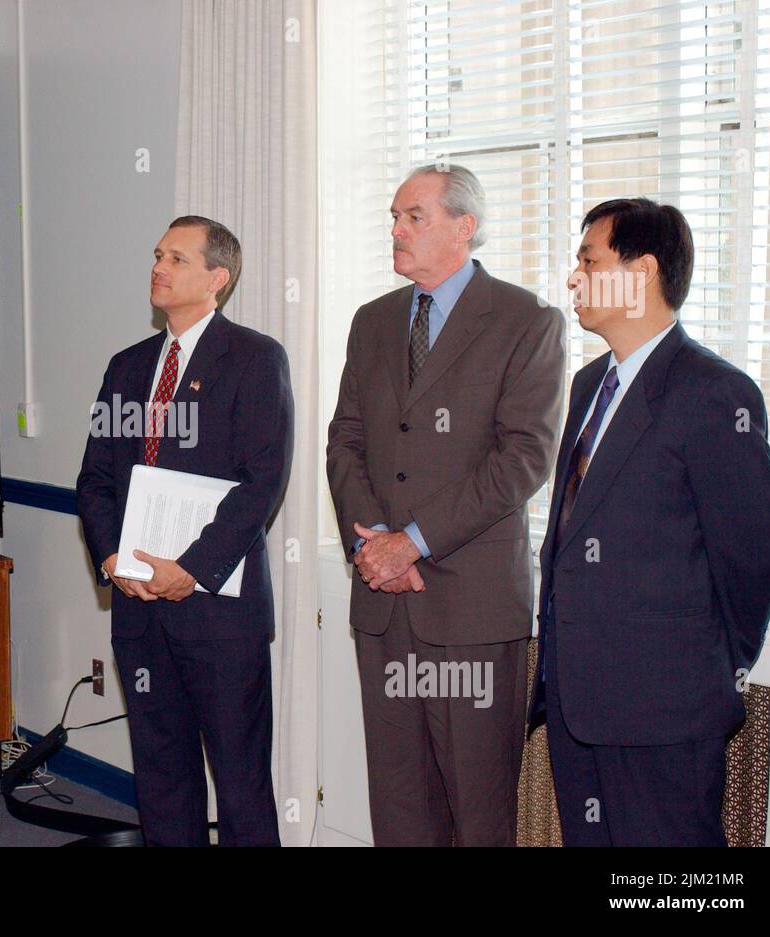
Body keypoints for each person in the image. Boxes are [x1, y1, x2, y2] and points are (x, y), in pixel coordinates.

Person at [528, 198, 770, 846]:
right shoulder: (588, 385)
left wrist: (697, 676)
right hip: (575, 706)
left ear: (640, 272)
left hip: (665, 716)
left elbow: (749, 564)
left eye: (588, 260)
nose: (572, 277)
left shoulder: (714, 394)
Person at [326, 164, 565, 845]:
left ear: (464, 228)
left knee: (478, 805)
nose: (396, 229)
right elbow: (345, 439)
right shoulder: (372, 321)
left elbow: (523, 458)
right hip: (383, 601)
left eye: (414, 216)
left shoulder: (525, 320)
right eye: (394, 217)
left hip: (472, 609)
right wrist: (374, 546)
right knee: (400, 806)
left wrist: (414, 541)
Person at [75, 215, 293, 846]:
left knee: (241, 781)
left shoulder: (255, 359)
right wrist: (114, 557)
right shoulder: (127, 368)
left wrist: (191, 569)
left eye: (176, 258)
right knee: (162, 779)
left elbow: (262, 483)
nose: (159, 268)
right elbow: (94, 480)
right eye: (156, 255)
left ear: (216, 278)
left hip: (218, 615)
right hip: (139, 609)